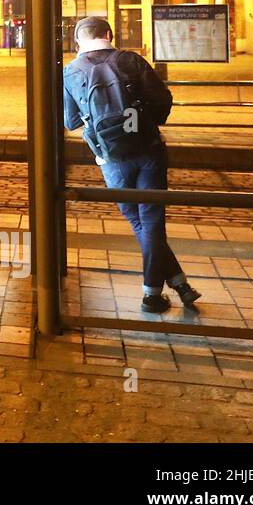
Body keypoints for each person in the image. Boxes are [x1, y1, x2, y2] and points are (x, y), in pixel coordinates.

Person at [61, 16, 201, 314]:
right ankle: (162, 290)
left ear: (79, 42)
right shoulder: (130, 60)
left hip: (111, 159)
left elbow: (70, 121)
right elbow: (163, 101)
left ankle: (172, 286)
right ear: (109, 34)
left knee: (140, 222)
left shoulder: (71, 71)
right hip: (148, 150)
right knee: (150, 219)